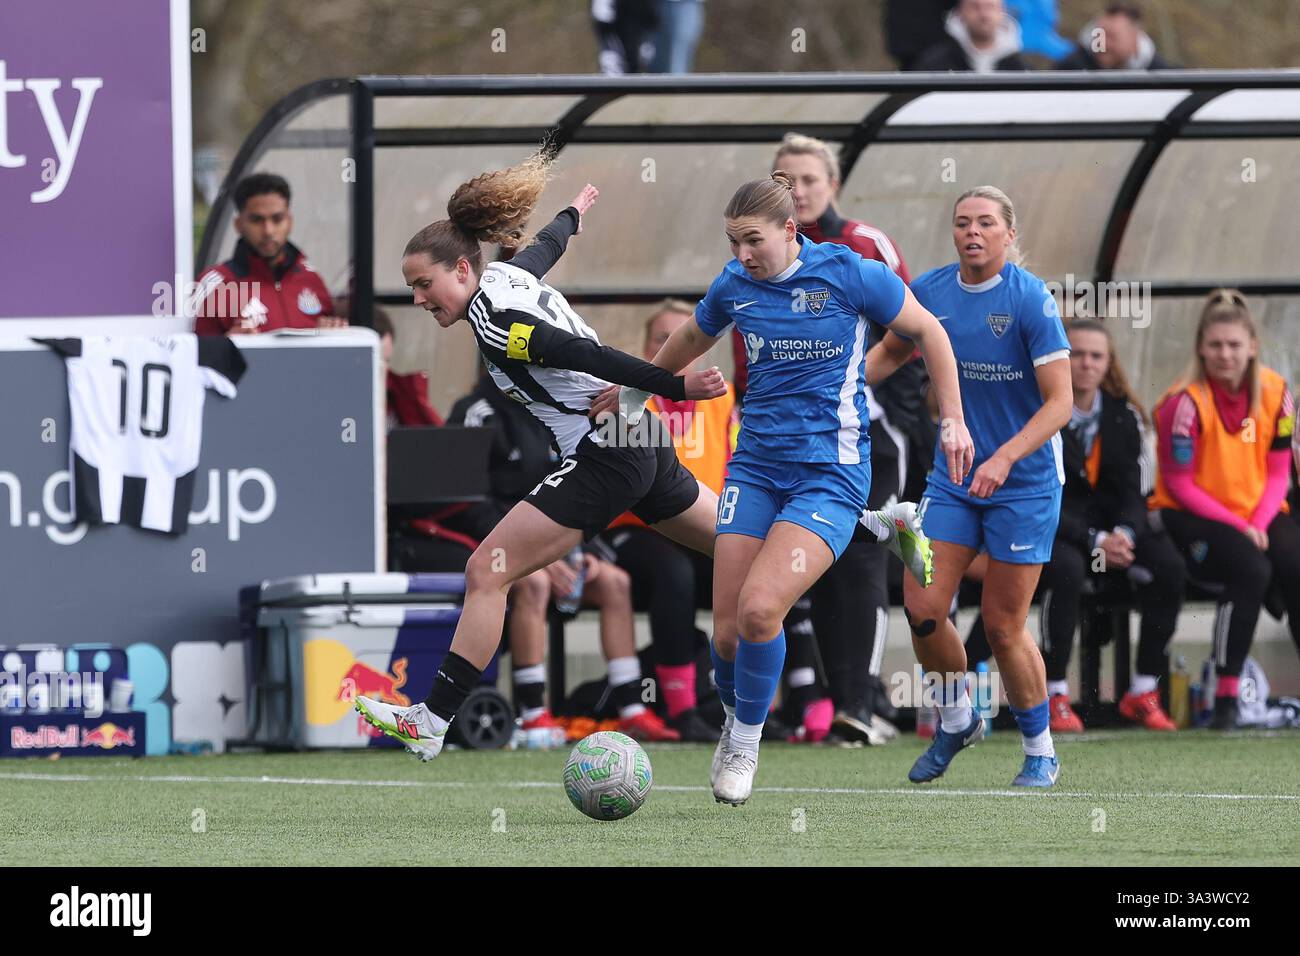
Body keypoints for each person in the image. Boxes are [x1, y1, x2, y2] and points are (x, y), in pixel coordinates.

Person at [597, 172, 969, 805]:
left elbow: (927, 331)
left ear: (790, 231)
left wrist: (952, 419)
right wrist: (636, 391)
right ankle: (881, 526)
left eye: (752, 241)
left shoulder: (849, 272)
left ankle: (745, 737)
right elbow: (689, 336)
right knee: (727, 635)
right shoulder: (735, 285)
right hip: (756, 469)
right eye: (732, 241)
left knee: (761, 609)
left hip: (829, 471)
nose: (742, 255)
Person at [353, 152, 725, 760]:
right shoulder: (504, 278)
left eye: (425, 283)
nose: (419, 299)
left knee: (487, 571)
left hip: (609, 451)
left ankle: (432, 719)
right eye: (412, 288)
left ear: (463, 269)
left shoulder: (494, 320)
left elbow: (586, 355)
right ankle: (873, 529)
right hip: (641, 438)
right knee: (742, 545)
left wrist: (677, 385)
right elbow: (542, 250)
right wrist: (572, 215)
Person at [867, 185, 1073, 788]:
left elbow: (1060, 404)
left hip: (1026, 480)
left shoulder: (1030, 299)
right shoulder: (929, 292)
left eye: (985, 223)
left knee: (1004, 624)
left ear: (1010, 234)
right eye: (962, 223)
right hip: (954, 478)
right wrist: (842, 388)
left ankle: (1040, 752)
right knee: (923, 606)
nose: (972, 232)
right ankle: (957, 720)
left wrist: (1005, 458)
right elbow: (890, 352)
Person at [769, 132, 922, 745]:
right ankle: (840, 703)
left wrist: (851, 383)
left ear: (832, 185)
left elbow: (910, 330)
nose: (798, 191)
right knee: (814, 557)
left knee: (859, 546)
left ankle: (862, 704)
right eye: (786, 180)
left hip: (872, 428)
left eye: (808, 179)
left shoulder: (861, 243)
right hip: (793, 438)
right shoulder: (760, 253)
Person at [447, 372, 681, 743]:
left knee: (614, 582)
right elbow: (466, 504)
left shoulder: (551, 410)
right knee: (536, 583)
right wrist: (534, 556)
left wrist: (582, 551)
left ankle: (633, 709)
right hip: (494, 550)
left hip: (557, 545)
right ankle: (534, 712)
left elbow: (576, 489)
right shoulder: (477, 411)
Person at [1148, 289, 1299, 729]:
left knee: (1294, 561)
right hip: (1188, 513)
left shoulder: (1279, 394)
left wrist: (1257, 521)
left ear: (1252, 346)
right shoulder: (1184, 402)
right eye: (1215, 345)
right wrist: (1240, 525)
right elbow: (1179, 483)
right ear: (1200, 347)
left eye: (1234, 345)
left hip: (1258, 513)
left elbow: (1278, 474)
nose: (1225, 354)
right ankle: (1227, 696)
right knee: (1250, 568)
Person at [1037, 317, 1186, 732]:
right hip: (1059, 531)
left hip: (1114, 536)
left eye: (1096, 356)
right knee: (1065, 569)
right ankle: (1053, 694)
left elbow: (1136, 494)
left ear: (1108, 363)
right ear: (1060, 361)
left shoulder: (1126, 417)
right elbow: (1038, 496)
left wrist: (1123, 535)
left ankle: (1142, 690)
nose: (1086, 363)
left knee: (1169, 568)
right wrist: (1093, 539)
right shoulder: (1040, 411)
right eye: (1077, 354)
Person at [603, 300, 736, 741]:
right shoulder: (627, 398)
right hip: (635, 530)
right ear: (646, 349)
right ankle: (681, 711)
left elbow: (738, 465)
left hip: (702, 525)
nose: (673, 345)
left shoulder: (722, 398)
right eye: (662, 338)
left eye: (682, 338)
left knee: (752, 567)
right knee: (673, 572)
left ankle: (747, 705)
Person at [193, 173, 347, 335]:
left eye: (277, 219)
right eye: (256, 220)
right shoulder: (214, 284)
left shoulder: (311, 278)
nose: (268, 231)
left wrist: (332, 332)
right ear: (239, 225)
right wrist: (227, 346)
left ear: (290, 221)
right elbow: (192, 353)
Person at [909, 0, 1029, 73]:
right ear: (960, 12)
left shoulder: (1021, 66)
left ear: (1002, 11)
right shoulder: (932, 64)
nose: (984, 15)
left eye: (990, 7)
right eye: (975, 7)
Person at [1053, 3, 1176, 70]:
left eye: (1112, 37)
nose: (1103, 44)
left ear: (1134, 38)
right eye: (1098, 35)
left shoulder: (1165, 75)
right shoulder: (1069, 69)